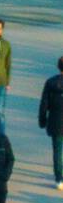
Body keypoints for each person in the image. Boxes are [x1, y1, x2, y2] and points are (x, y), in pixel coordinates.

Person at [38, 56, 63, 190]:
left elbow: (44, 104)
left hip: (56, 122)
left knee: (57, 150)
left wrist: (42, 120)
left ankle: (59, 179)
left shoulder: (51, 83)